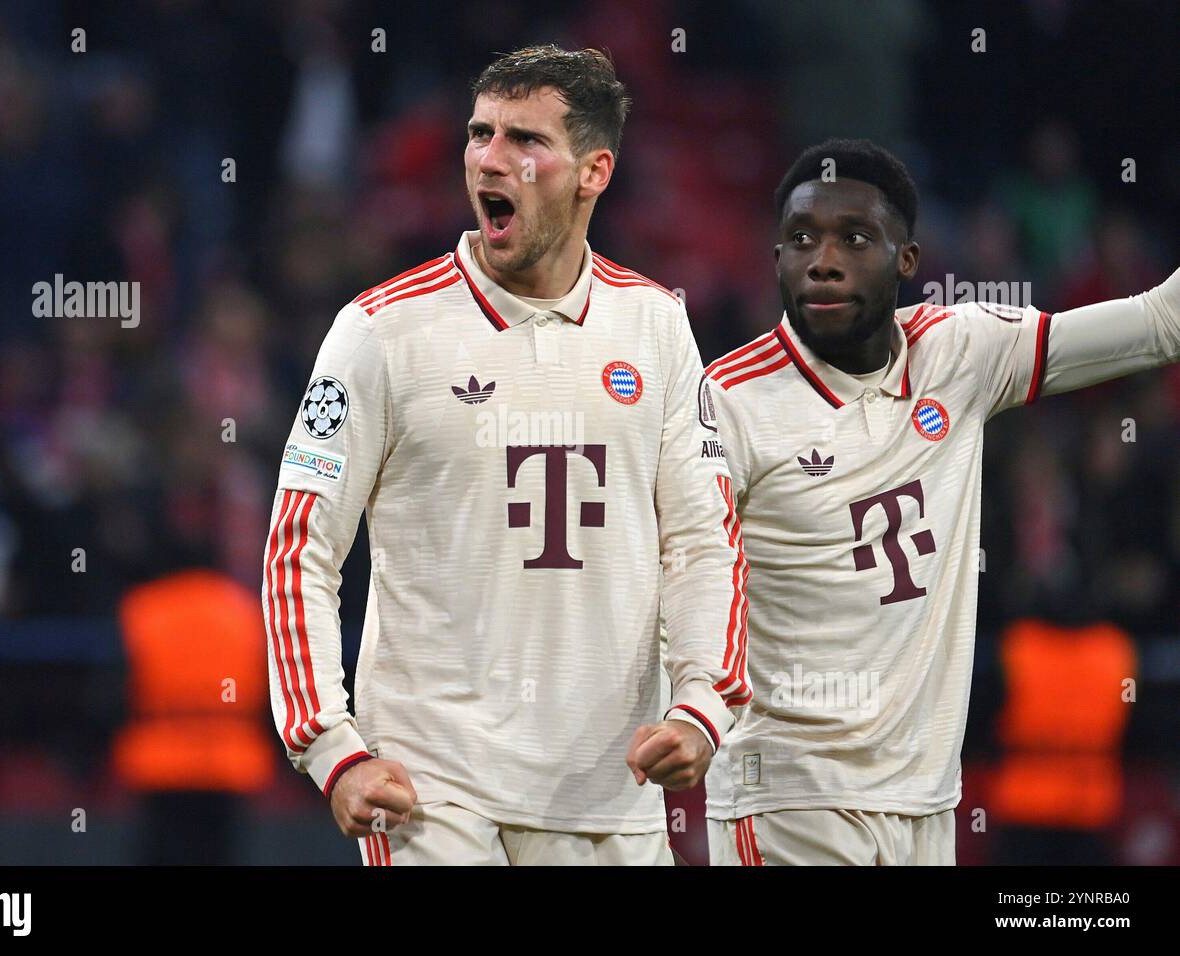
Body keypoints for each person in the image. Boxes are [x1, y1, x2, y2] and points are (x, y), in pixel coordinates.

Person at [261, 45, 749, 866]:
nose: (491, 158)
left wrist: (703, 704)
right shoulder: (380, 332)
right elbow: (298, 549)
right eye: (480, 133)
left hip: (611, 790)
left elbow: (704, 541)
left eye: (525, 140)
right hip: (434, 790)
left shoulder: (658, 327)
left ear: (594, 171)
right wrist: (330, 748)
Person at [701, 138, 1179, 866]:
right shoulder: (725, 403)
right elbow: (677, 571)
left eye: (854, 238)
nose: (822, 260)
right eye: (801, 239)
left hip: (925, 804)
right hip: (792, 801)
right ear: (776, 260)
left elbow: (1158, 325)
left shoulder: (962, 353)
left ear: (907, 260)